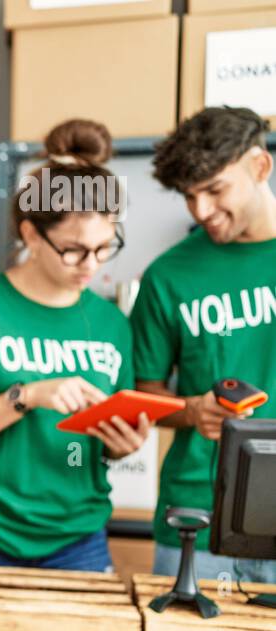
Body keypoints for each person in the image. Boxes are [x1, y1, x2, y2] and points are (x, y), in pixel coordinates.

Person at [0, 119, 150, 571]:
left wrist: (121, 444)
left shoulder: (112, 325)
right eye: (74, 249)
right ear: (30, 234)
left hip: (78, 537)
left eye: (105, 247)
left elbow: (103, 434)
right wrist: (27, 395)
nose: (91, 264)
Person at [132, 106, 276, 584]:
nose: (201, 212)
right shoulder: (167, 276)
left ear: (260, 166)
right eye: (189, 197)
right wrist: (193, 410)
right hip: (195, 521)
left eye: (215, 190)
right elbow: (143, 397)